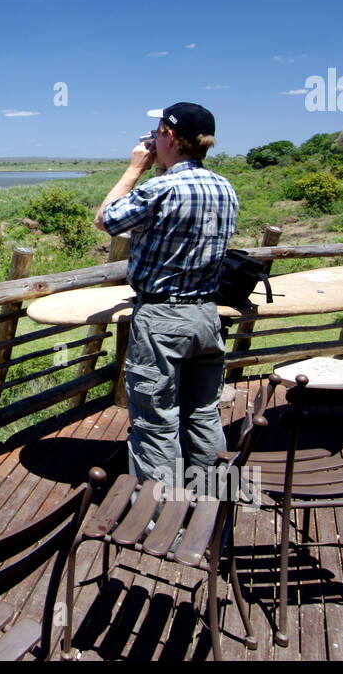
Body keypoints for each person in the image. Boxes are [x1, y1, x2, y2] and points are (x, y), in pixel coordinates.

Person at [95, 102, 239, 491]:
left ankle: (157, 515)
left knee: (155, 422)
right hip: (206, 316)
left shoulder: (160, 187)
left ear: (169, 137)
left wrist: (135, 168)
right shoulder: (224, 187)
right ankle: (211, 500)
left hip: (161, 320)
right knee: (203, 415)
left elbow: (106, 220)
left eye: (157, 134)